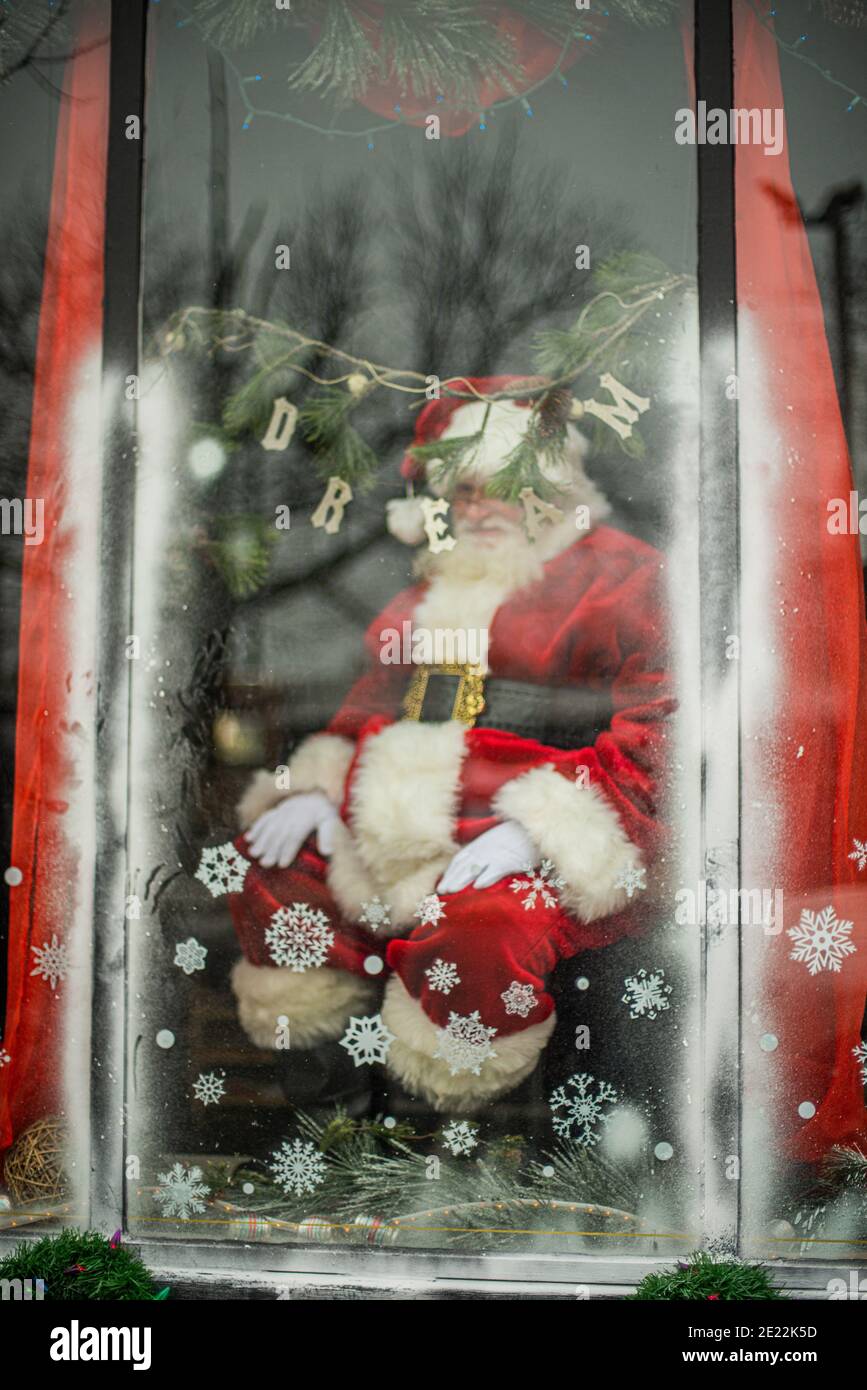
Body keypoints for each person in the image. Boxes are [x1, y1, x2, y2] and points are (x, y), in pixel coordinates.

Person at [226, 377, 675, 1112]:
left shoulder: (622, 581)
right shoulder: (427, 595)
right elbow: (364, 710)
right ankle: (332, 1133)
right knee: (275, 879)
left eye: (498, 487)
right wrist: (318, 792)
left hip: (532, 833)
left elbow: (660, 735)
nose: (477, 508)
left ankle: (457, 1145)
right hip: (401, 828)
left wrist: (540, 831)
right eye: (461, 492)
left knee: (480, 930)